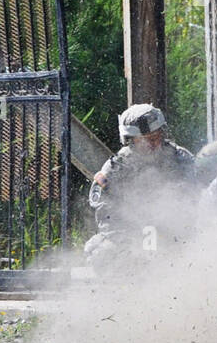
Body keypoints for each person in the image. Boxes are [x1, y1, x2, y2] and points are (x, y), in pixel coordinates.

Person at [83, 103, 198, 273]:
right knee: (101, 252)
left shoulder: (181, 159)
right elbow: (104, 209)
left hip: (175, 232)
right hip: (131, 234)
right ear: (131, 140)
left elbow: (197, 197)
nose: (153, 143)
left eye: (156, 136)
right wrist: (127, 241)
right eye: (145, 139)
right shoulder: (116, 168)